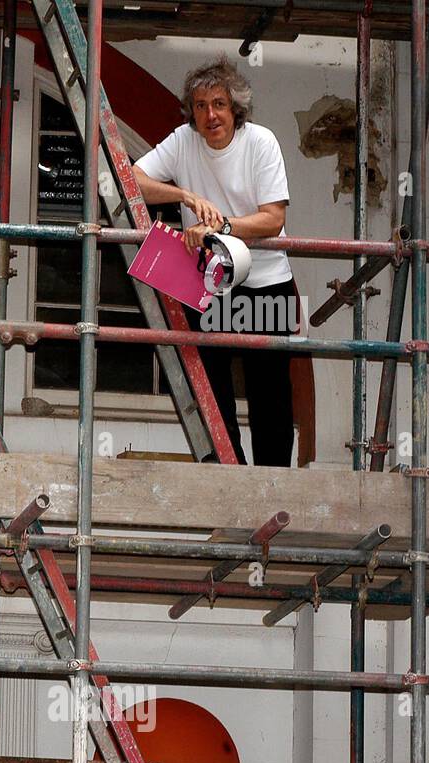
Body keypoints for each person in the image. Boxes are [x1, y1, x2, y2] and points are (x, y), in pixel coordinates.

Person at [133, 56, 297, 467]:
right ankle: (229, 478)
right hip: (208, 280)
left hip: (265, 279)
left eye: (219, 104)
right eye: (201, 105)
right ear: (191, 112)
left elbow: (274, 219)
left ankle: (273, 485)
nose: (210, 115)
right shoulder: (184, 140)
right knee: (211, 387)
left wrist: (220, 226)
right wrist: (183, 196)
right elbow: (132, 178)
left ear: (235, 108)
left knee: (270, 392)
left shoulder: (261, 142)